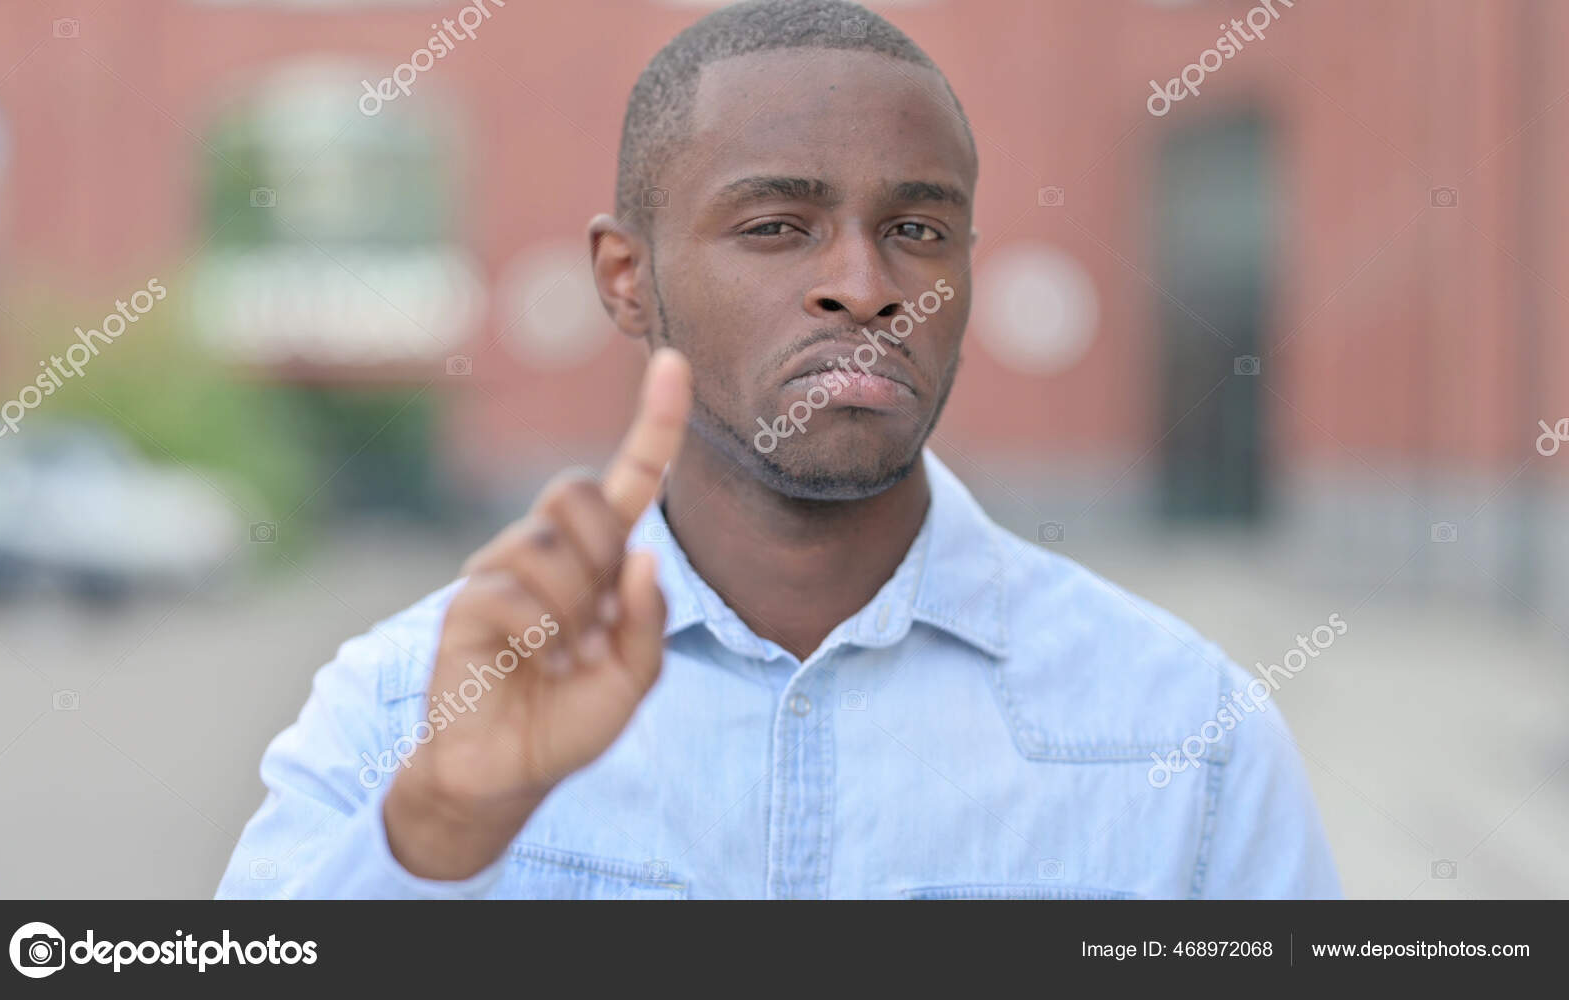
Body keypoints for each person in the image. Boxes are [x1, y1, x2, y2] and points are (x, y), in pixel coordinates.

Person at [217, 0, 1340, 899]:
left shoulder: (1187, 733)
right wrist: (439, 836)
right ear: (626, 279)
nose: (862, 285)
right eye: (774, 226)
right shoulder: (405, 706)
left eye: (915, 230)